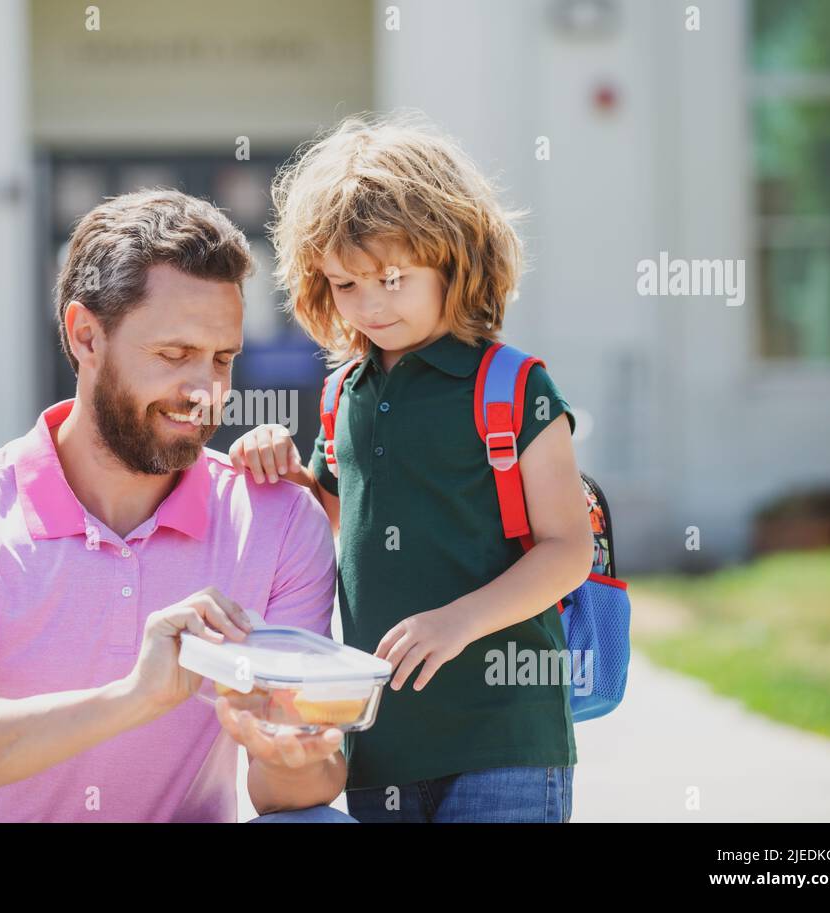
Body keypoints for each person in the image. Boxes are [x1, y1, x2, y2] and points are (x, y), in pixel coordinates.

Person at [0, 189, 354, 822]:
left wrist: (292, 757)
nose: (205, 392)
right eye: (174, 355)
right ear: (85, 336)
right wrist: (134, 697)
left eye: (222, 360)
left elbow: (286, 793)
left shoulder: (279, 521)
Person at [229, 114, 594, 822]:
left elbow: (567, 549)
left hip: (507, 740)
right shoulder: (343, 394)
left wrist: (457, 621)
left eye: (392, 278)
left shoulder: (513, 386)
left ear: (454, 259)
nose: (370, 305)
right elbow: (325, 522)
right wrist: (273, 458)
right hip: (380, 746)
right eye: (345, 285)